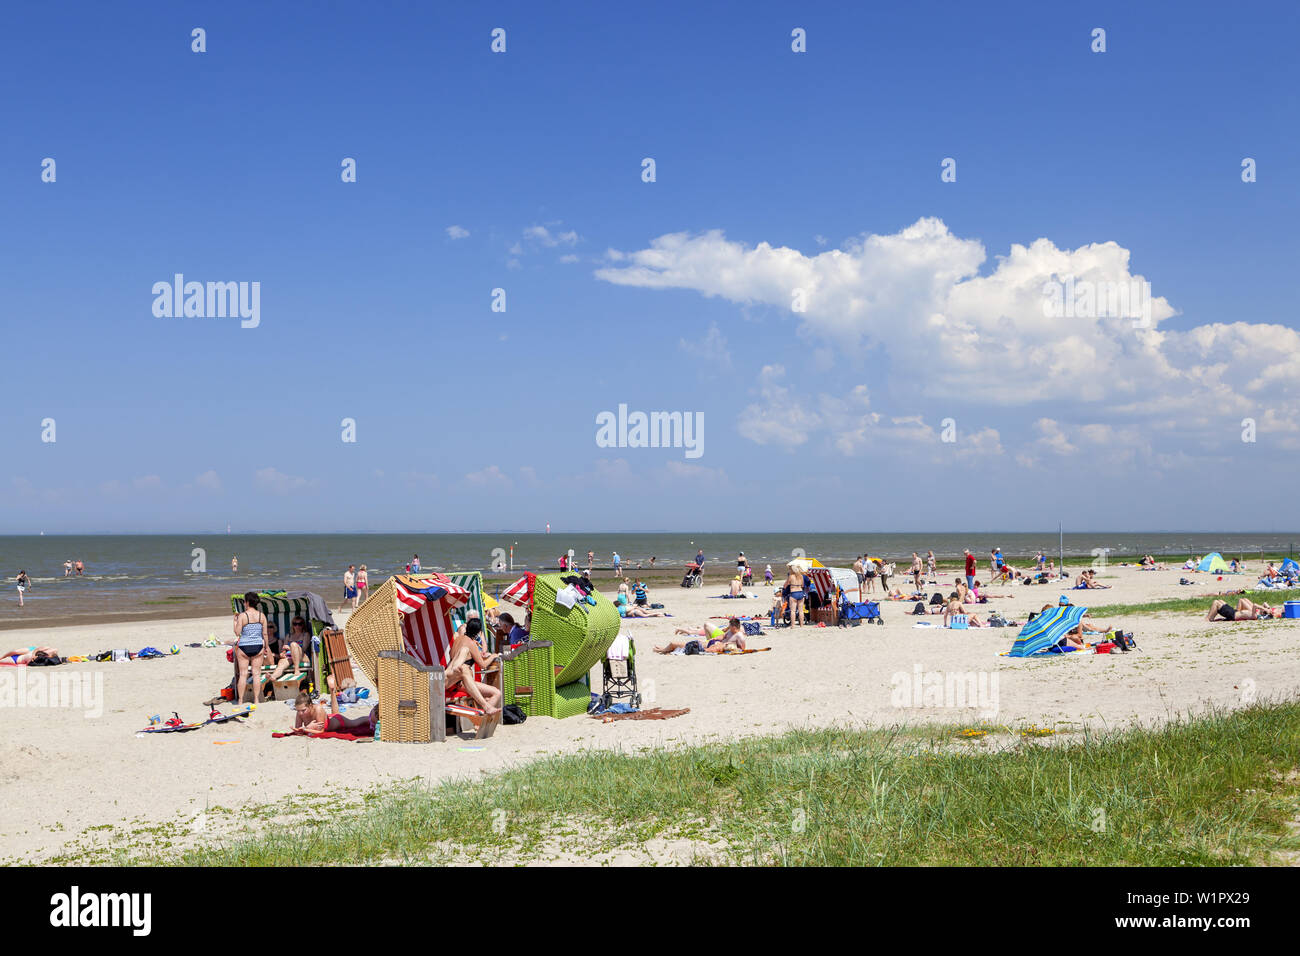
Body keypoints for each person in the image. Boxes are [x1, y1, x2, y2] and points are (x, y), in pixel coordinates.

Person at [445, 620, 503, 714]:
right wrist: (493, 656)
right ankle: (481, 721)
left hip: (453, 680)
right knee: (496, 693)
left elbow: (452, 654)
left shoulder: (458, 639)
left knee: (487, 697)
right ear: (478, 632)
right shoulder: (471, 643)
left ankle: (481, 718)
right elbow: (483, 665)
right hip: (461, 683)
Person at [295, 674, 377, 736]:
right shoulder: (300, 711)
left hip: (337, 721)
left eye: (303, 710)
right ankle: (332, 690)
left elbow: (321, 731)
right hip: (329, 718)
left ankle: (372, 716)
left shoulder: (318, 709)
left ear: (310, 705)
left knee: (355, 722)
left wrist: (306, 729)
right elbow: (299, 731)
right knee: (335, 713)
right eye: (298, 710)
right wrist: (301, 729)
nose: (301, 713)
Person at [232, 592, 271, 704]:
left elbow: (237, 633)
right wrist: (266, 647)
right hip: (257, 646)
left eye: (244, 601)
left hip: (244, 646)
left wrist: (235, 621)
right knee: (256, 674)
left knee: (243, 674)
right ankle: (257, 699)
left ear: (248, 602)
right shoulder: (261, 616)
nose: (244, 603)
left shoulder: (243, 616)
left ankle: (240, 700)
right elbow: (265, 634)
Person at [656, 618, 745, 654]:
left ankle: (664, 650)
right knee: (694, 643)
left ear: (734, 627)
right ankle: (665, 649)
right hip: (713, 642)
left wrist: (728, 647)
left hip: (717, 646)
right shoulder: (730, 631)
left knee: (692, 646)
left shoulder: (739, 636)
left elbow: (743, 649)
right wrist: (715, 638)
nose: (728, 627)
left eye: (730, 626)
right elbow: (722, 636)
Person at [270, 616, 310, 681]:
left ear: (303, 625)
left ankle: (296, 670)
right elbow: (283, 649)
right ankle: (273, 676)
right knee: (281, 664)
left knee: (293, 644)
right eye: (295, 624)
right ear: (293, 625)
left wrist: (290, 648)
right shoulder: (289, 636)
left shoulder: (305, 635)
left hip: (302, 656)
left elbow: (304, 649)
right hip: (289, 657)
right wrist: (282, 653)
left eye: (300, 624)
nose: (297, 626)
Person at [1206, 597, 1282, 621]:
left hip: (1232, 615)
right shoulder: (1256, 613)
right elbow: (1263, 604)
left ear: (1262, 612)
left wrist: (1265, 609)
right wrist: (1268, 609)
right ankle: (1211, 618)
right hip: (1233, 612)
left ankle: (1209, 618)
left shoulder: (1255, 616)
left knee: (1216, 602)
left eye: (1263, 610)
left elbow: (1255, 605)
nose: (1262, 608)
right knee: (1220, 601)